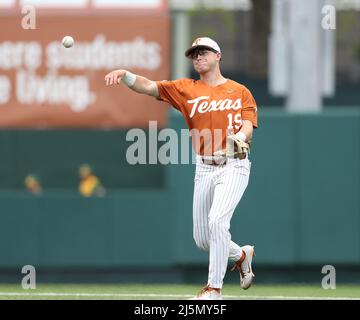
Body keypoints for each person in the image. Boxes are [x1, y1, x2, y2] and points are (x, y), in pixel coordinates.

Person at [105, 37, 258, 300]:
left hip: (234, 165)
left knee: (217, 221)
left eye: (204, 52)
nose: (198, 57)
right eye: (194, 54)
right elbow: (149, 86)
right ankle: (241, 255)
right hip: (204, 167)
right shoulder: (185, 88)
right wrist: (126, 75)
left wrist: (241, 139)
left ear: (218, 55)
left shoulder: (239, 90)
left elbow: (247, 125)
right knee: (203, 239)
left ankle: (213, 289)